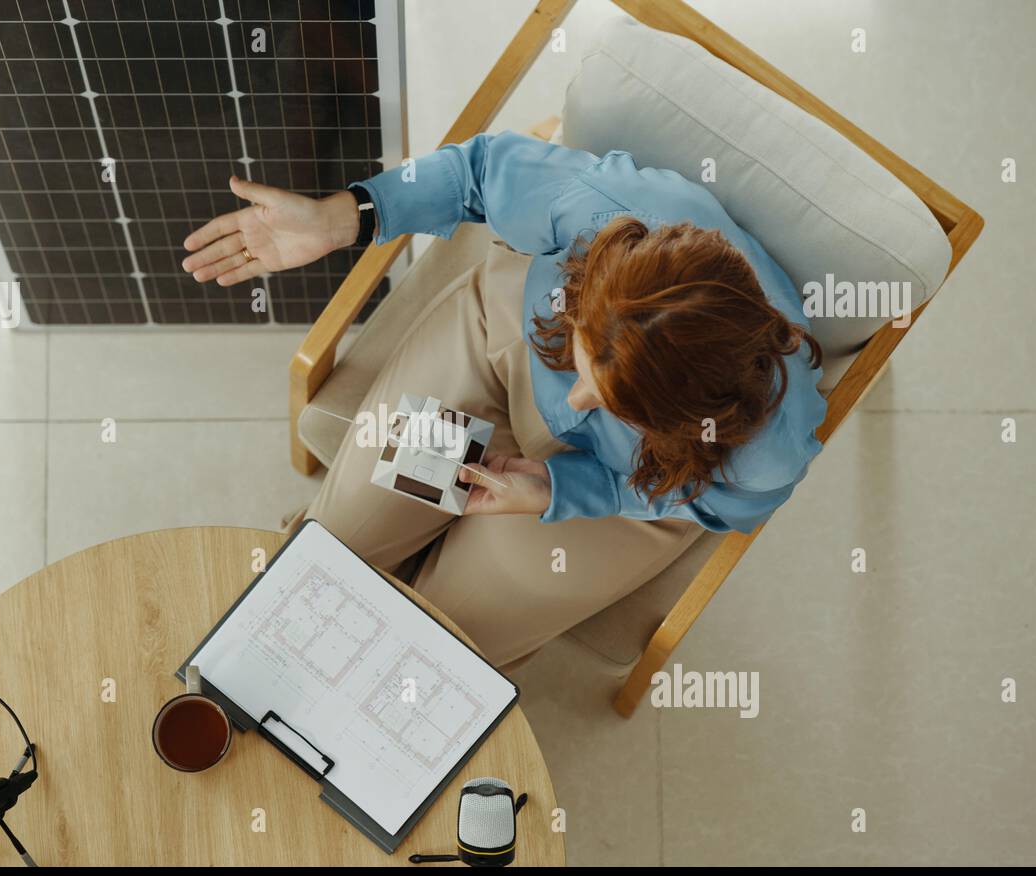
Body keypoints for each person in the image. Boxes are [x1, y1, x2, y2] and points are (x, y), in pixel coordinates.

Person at [181, 131, 827, 668]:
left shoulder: (764, 451)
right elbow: (477, 173)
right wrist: (342, 216)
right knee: (331, 553)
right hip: (495, 362)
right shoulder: (605, 208)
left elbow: (694, 498)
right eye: (584, 362)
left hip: (614, 493)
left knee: (437, 646)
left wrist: (559, 489)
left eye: (612, 404)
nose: (576, 403)